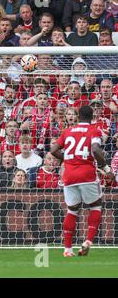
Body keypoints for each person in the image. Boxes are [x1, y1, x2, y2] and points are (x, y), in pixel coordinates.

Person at [50, 105, 112, 257]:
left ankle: (67, 249)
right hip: (87, 174)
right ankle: (88, 241)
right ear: (92, 117)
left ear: (78, 116)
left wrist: (68, 158)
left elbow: (52, 150)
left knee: (72, 210)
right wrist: (106, 168)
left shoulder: (68, 131)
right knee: (96, 206)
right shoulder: (95, 130)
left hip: (69, 175)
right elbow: (96, 150)